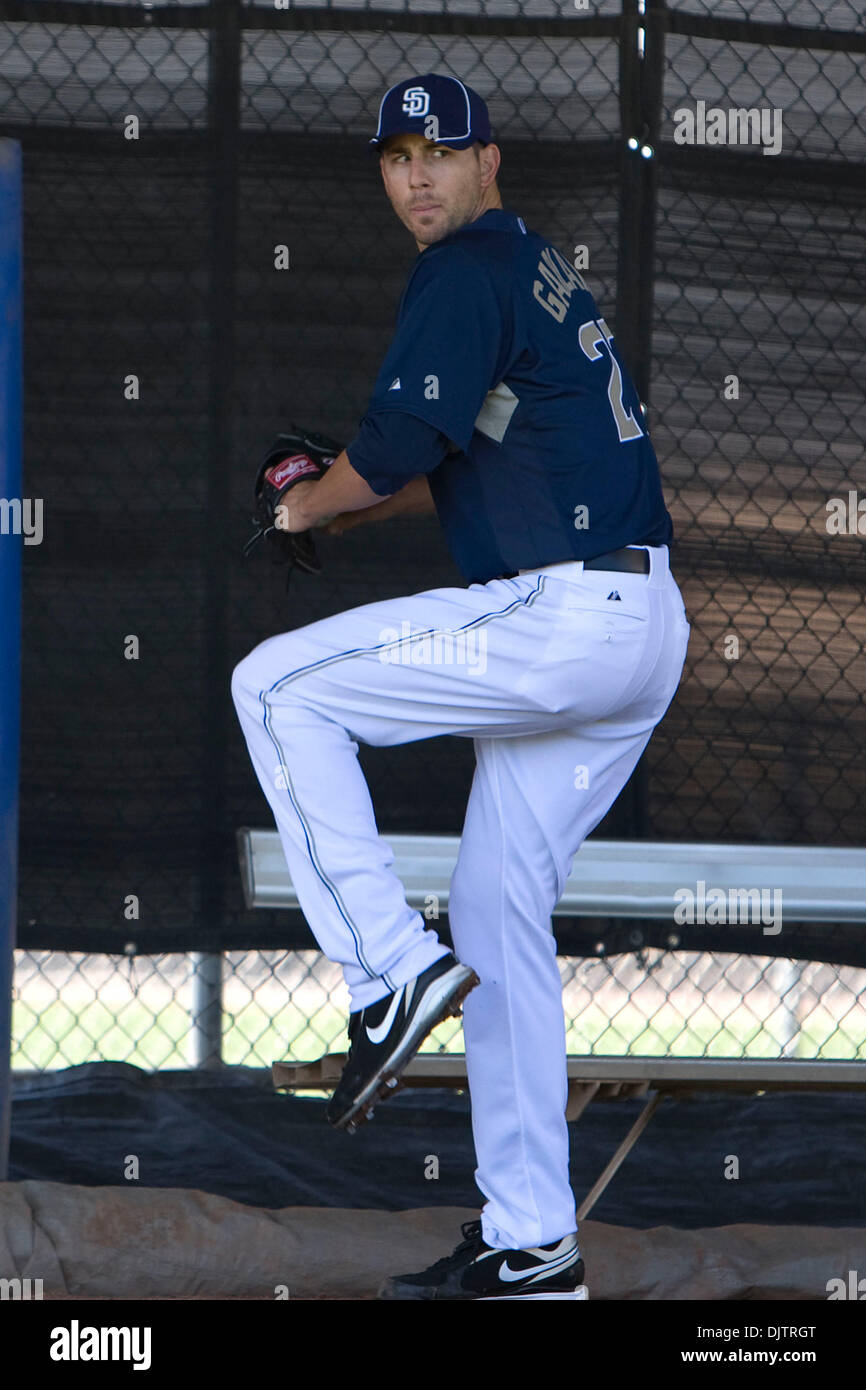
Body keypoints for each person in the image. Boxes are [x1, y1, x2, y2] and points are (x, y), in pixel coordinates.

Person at [231, 72, 690, 1301]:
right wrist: (338, 490)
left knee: (277, 687)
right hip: (636, 624)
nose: (417, 174)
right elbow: (440, 465)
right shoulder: (530, 268)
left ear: (491, 160)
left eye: (441, 150)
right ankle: (533, 1240)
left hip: (566, 617)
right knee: (494, 914)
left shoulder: (462, 270)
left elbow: (385, 454)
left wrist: (299, 499)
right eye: (395, 158)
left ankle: (385, 970)